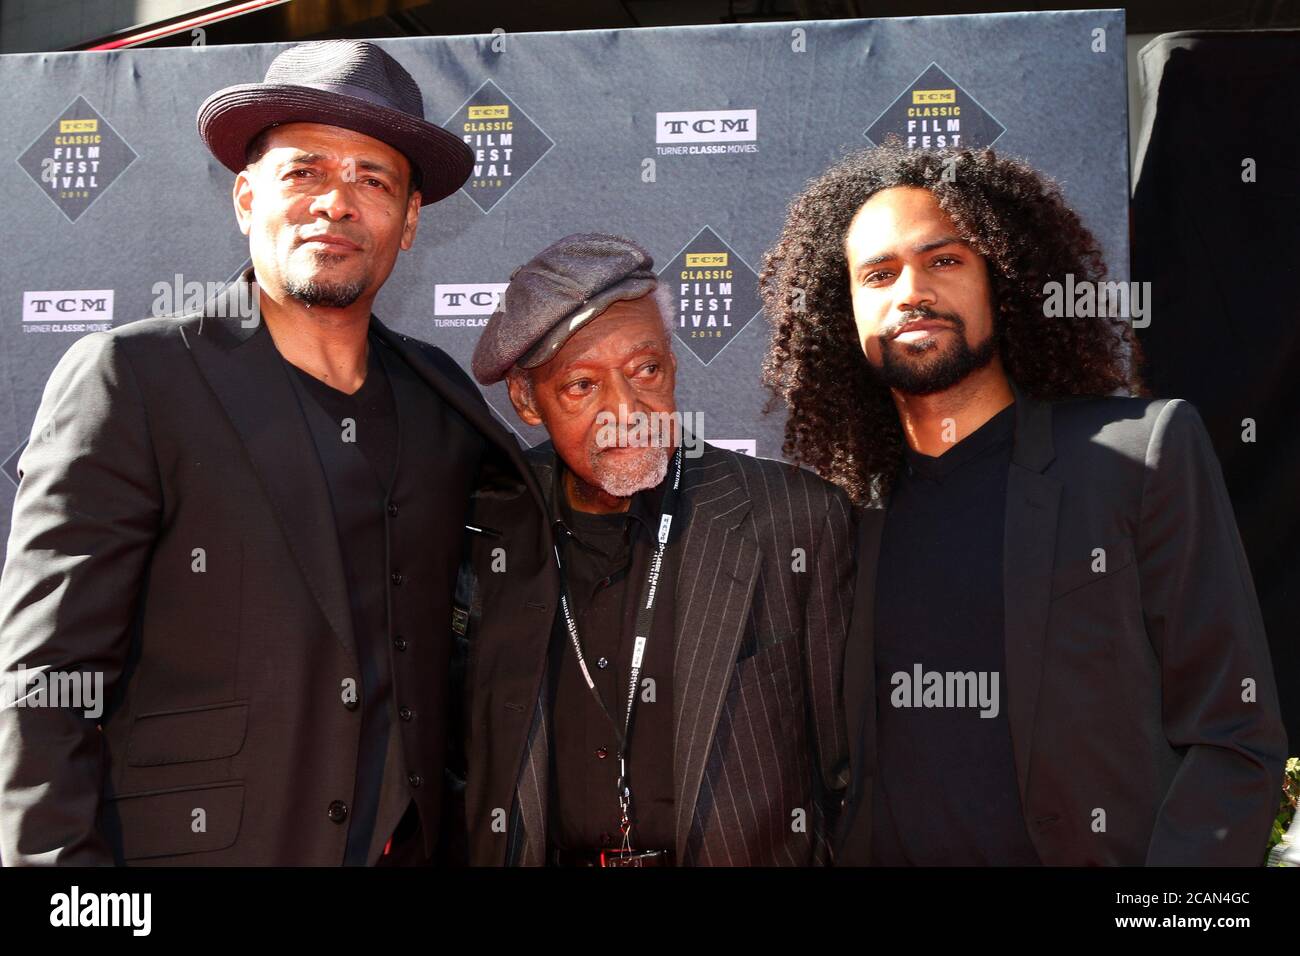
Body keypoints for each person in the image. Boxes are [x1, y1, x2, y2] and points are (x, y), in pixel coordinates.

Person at [0, 39, 545, 866]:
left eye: (373, 179)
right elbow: (46, 683)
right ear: (247, 198)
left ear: (408, 222)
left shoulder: (440, 403)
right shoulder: (135, 379)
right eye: (305, 172)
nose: (338, 202)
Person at [761, 142, 1288, 866]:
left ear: (1000, 282)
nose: (911, 291)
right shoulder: (841, 518)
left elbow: (1233, 734)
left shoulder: (1138, 456)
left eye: (944, 261)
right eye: (877, 275)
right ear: (841, 313)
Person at [459, 233, 854, 866]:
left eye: (646, 370)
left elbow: (850, 774)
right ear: (528, 402)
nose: (626, 410)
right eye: (581, 386)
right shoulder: (480, 527)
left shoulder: (793, 519)